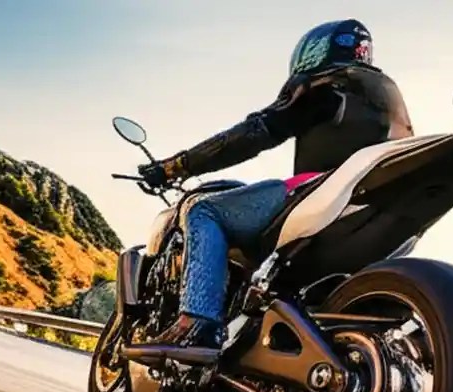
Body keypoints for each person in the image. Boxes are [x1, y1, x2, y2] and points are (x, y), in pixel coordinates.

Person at [127, 18, 414, 355]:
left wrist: (176, 165)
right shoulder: (389, 93)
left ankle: (197, 322)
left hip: (317, 191)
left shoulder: (325, 83)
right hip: (374, 210)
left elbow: (254, 133)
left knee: (204, 211)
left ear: (318, 49)